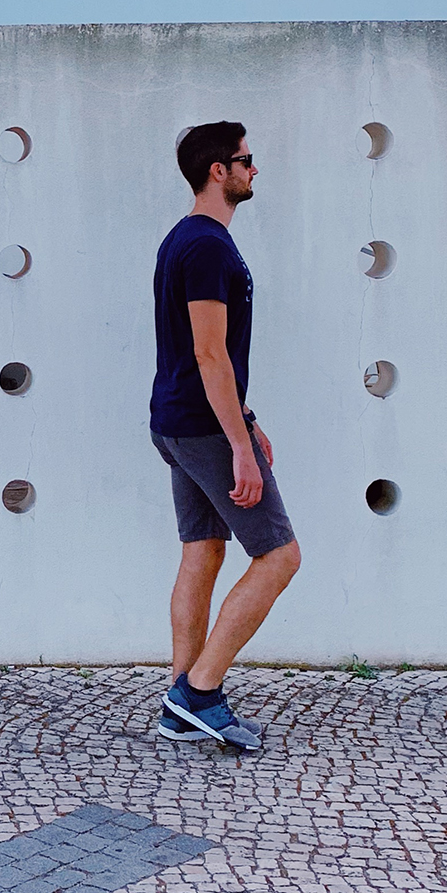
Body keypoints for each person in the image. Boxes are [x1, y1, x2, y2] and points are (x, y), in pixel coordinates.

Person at [150, 121, 300, 750]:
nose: (254, 169)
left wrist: (251, 420)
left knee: (203, 550)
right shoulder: (208, 247)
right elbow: (211, 355)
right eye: (246, 160)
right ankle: (202, 692)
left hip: (178, 421)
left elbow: (204, 356)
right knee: (279, 556)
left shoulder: (181, 240)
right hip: (206, 427)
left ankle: (180, 700)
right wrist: (239, 442)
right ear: (219, 171)